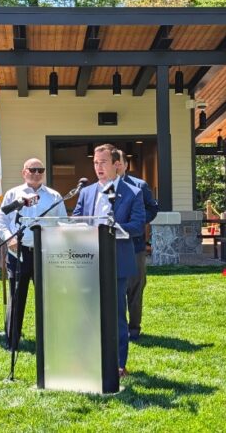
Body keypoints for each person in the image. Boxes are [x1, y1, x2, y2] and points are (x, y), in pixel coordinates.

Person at [73, 144, 145, 378]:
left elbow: (138, 225)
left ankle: (118, 363)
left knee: (116, 315)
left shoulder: (132, 193)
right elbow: (77, 218)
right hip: (89, 260)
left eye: (103, 162)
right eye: (95, 163)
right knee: (88, 313)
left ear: (116, 164)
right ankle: (88, 359)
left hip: (117, 260)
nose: (98, 167)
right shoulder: (86, 192)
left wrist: (114, 227)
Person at [0, 158, 67, 350]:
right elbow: (1, 221)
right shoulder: (13, 194)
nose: (36, 173)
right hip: (19, 253)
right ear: (24, 172)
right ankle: (12, 342)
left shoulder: (54, 196)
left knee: (47, 299)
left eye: (40, 170)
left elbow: (63, 223)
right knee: (17, 298)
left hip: (46, 253)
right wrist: (9, 239)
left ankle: (50, 341)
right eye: (32, 170)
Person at [116, 149, 158, 342]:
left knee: (135, 288)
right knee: (114, 290)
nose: (116, 166)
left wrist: (139, 220)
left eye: (119, 163)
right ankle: (118, 328)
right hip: (111, 247)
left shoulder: (139, 186)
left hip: (135, 246)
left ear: (126, 165)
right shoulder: (102, 188)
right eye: (113, 163)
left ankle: (134, 328)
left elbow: (152, 208)